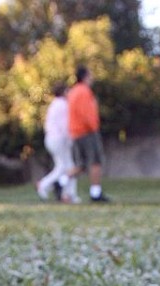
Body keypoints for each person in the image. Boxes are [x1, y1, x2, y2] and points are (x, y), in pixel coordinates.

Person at [60, 66, 110, 203]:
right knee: (95, 162)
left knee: (81, 165)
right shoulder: (83, 91)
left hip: (76, 132)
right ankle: (95, 193)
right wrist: (93, 127)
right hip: (86, 131)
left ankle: (61, 182)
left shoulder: (73, 91)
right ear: (85, 76)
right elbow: (86, 113)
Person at [36, 83, 79, 202]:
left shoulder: (54, 104)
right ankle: (67, 194)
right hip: (59, 139)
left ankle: (57, 189)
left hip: (51, 139)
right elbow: (64, 126)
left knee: (62, 167)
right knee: (68, 167)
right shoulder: (63, 105)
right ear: (64, 92)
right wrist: (71, 139)